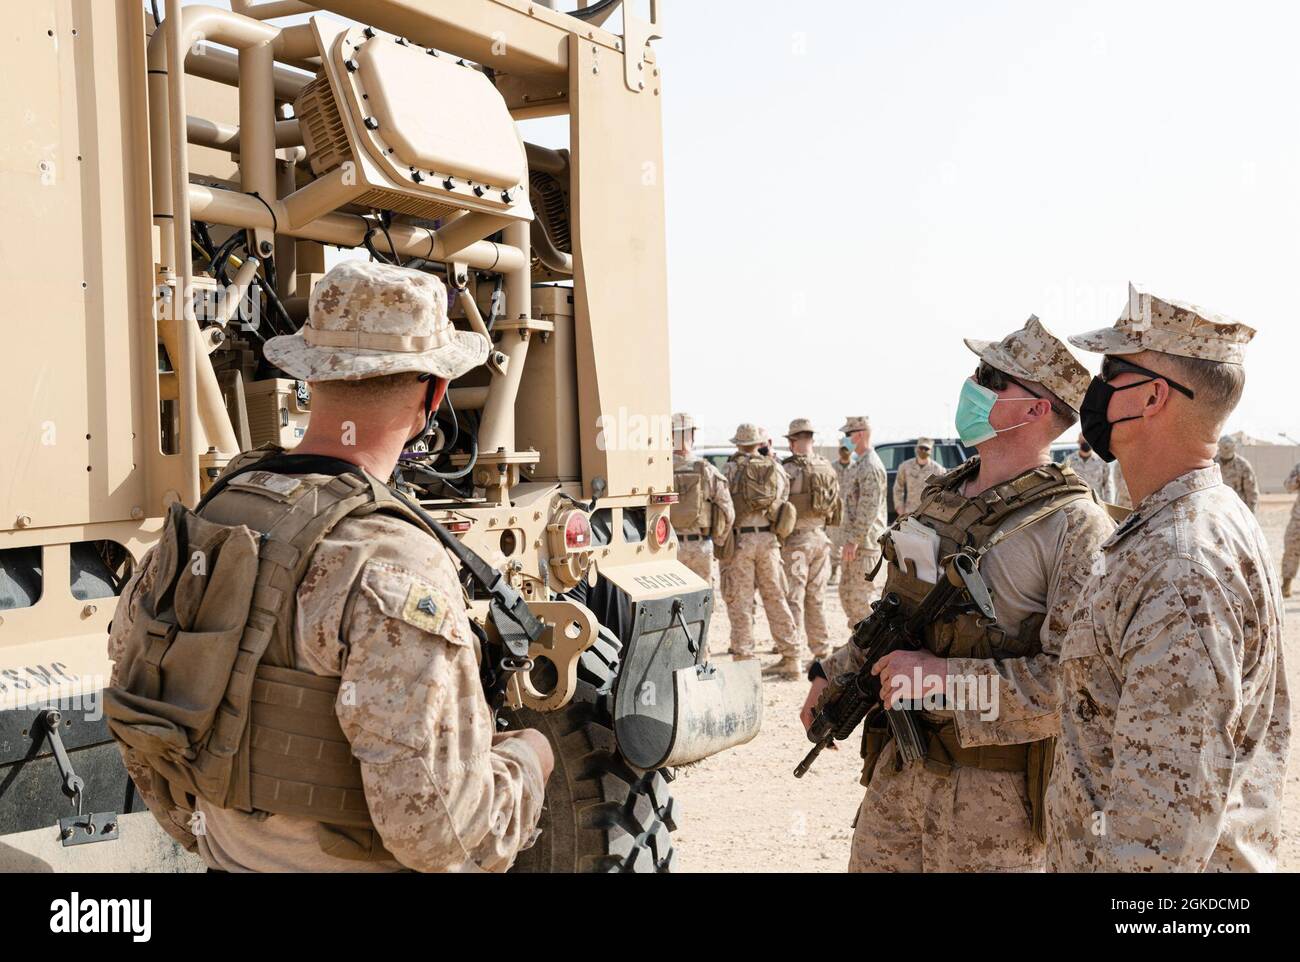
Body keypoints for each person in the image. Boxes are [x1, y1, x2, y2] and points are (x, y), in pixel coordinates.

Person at [105, 260, 552, 872]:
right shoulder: (394, 559)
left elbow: (137, 710)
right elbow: (438, 831)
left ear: (310, 375)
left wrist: (213, 837)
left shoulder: (208, 518)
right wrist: (527, 764)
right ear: (433, 393)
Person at [802, 315, 1113, 872]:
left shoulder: (1076, 526)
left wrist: (947, 682)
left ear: (1037, 409)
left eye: (991, 378)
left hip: (992, 806)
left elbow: (1075, 688)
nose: (973, 387)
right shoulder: (941, 495)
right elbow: (897, 615)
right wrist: (835, 670)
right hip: (898, 775)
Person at [1049, 284, 1289, 871]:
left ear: (1153, 396)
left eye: (1111, 372)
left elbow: (1159, 835)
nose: (1094, 391)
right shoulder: (1186, 522)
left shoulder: (1179, 560)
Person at [720, 423, 804, 678]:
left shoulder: (730, 468)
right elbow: (784, 499)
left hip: (741, 542)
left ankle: (744, 659)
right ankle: (792, 659)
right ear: (759, 443)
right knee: (776, 598)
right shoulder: (776, 468)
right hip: (769, 542)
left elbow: (724, 505)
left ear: (737, 444)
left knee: (741, 601)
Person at [781, 419, 842, 662]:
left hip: (797, 541)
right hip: (821, 540)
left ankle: (792, 655)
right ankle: (821, 651)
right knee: (816, 598)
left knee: (794, 597)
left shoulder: (788, 470)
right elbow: (836, 506)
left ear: (793, 442)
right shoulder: (826, 467)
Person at [670, 411, 735, 594]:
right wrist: (717, 541)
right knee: (701, 603)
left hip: (667, 549)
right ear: (692, 435)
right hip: (700, 545)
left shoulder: (657, 471)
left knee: (670, 603)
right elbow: (727, 510)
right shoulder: (707, 470)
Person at [837, 416, 887, 629]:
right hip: (855, 543)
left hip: (864, 546)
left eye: (847, 435)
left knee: (862, 600)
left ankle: (868, 652)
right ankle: (856, 646)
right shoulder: (859, 464)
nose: (844, 440)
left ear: (859, 434)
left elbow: (868, 509)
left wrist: (854, 540)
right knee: (848, 595)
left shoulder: (870, 466)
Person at [891, 437, 946, 516]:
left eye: (926, 449)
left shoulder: (938, 470)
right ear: (916, 448)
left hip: (929, 512)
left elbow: (943, 492)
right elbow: (898, 488)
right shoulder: (905, 466)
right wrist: (899, 506)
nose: (923, 451)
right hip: (910, 511)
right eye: (921, 448)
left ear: (931, 451)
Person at [827, 441, 854, 585]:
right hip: (835, 511)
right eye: (842, 449)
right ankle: (833, 573)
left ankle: (847, 575)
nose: (844, 452)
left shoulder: (856, 467)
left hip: (851, 513)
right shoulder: (832, 467)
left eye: (847, 449)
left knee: (849, 544)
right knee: (834, 545)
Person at [1214, 435, 1259, 513]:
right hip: (1217, 508)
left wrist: (1250, 513)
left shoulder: (1243, 465)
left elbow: (1251, 491)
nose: (1226, 449)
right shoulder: (1213, 463)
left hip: (1237, 509)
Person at [1064, 434, 1110, 501]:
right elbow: (1064, 483)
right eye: (1083, 441)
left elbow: (1107, 485)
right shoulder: (1069, 461)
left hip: (1096, 503)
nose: (1086, 442)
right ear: (1078, 442)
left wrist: (1109, 505)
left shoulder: (1102, 461)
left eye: (1088, 440)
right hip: (1077, 502)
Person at [1283, 462, 1300, 598]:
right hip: (1298, 518)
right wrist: (1297, 479)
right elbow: (1288, 486)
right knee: (1291, 550)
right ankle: (1287, 582)